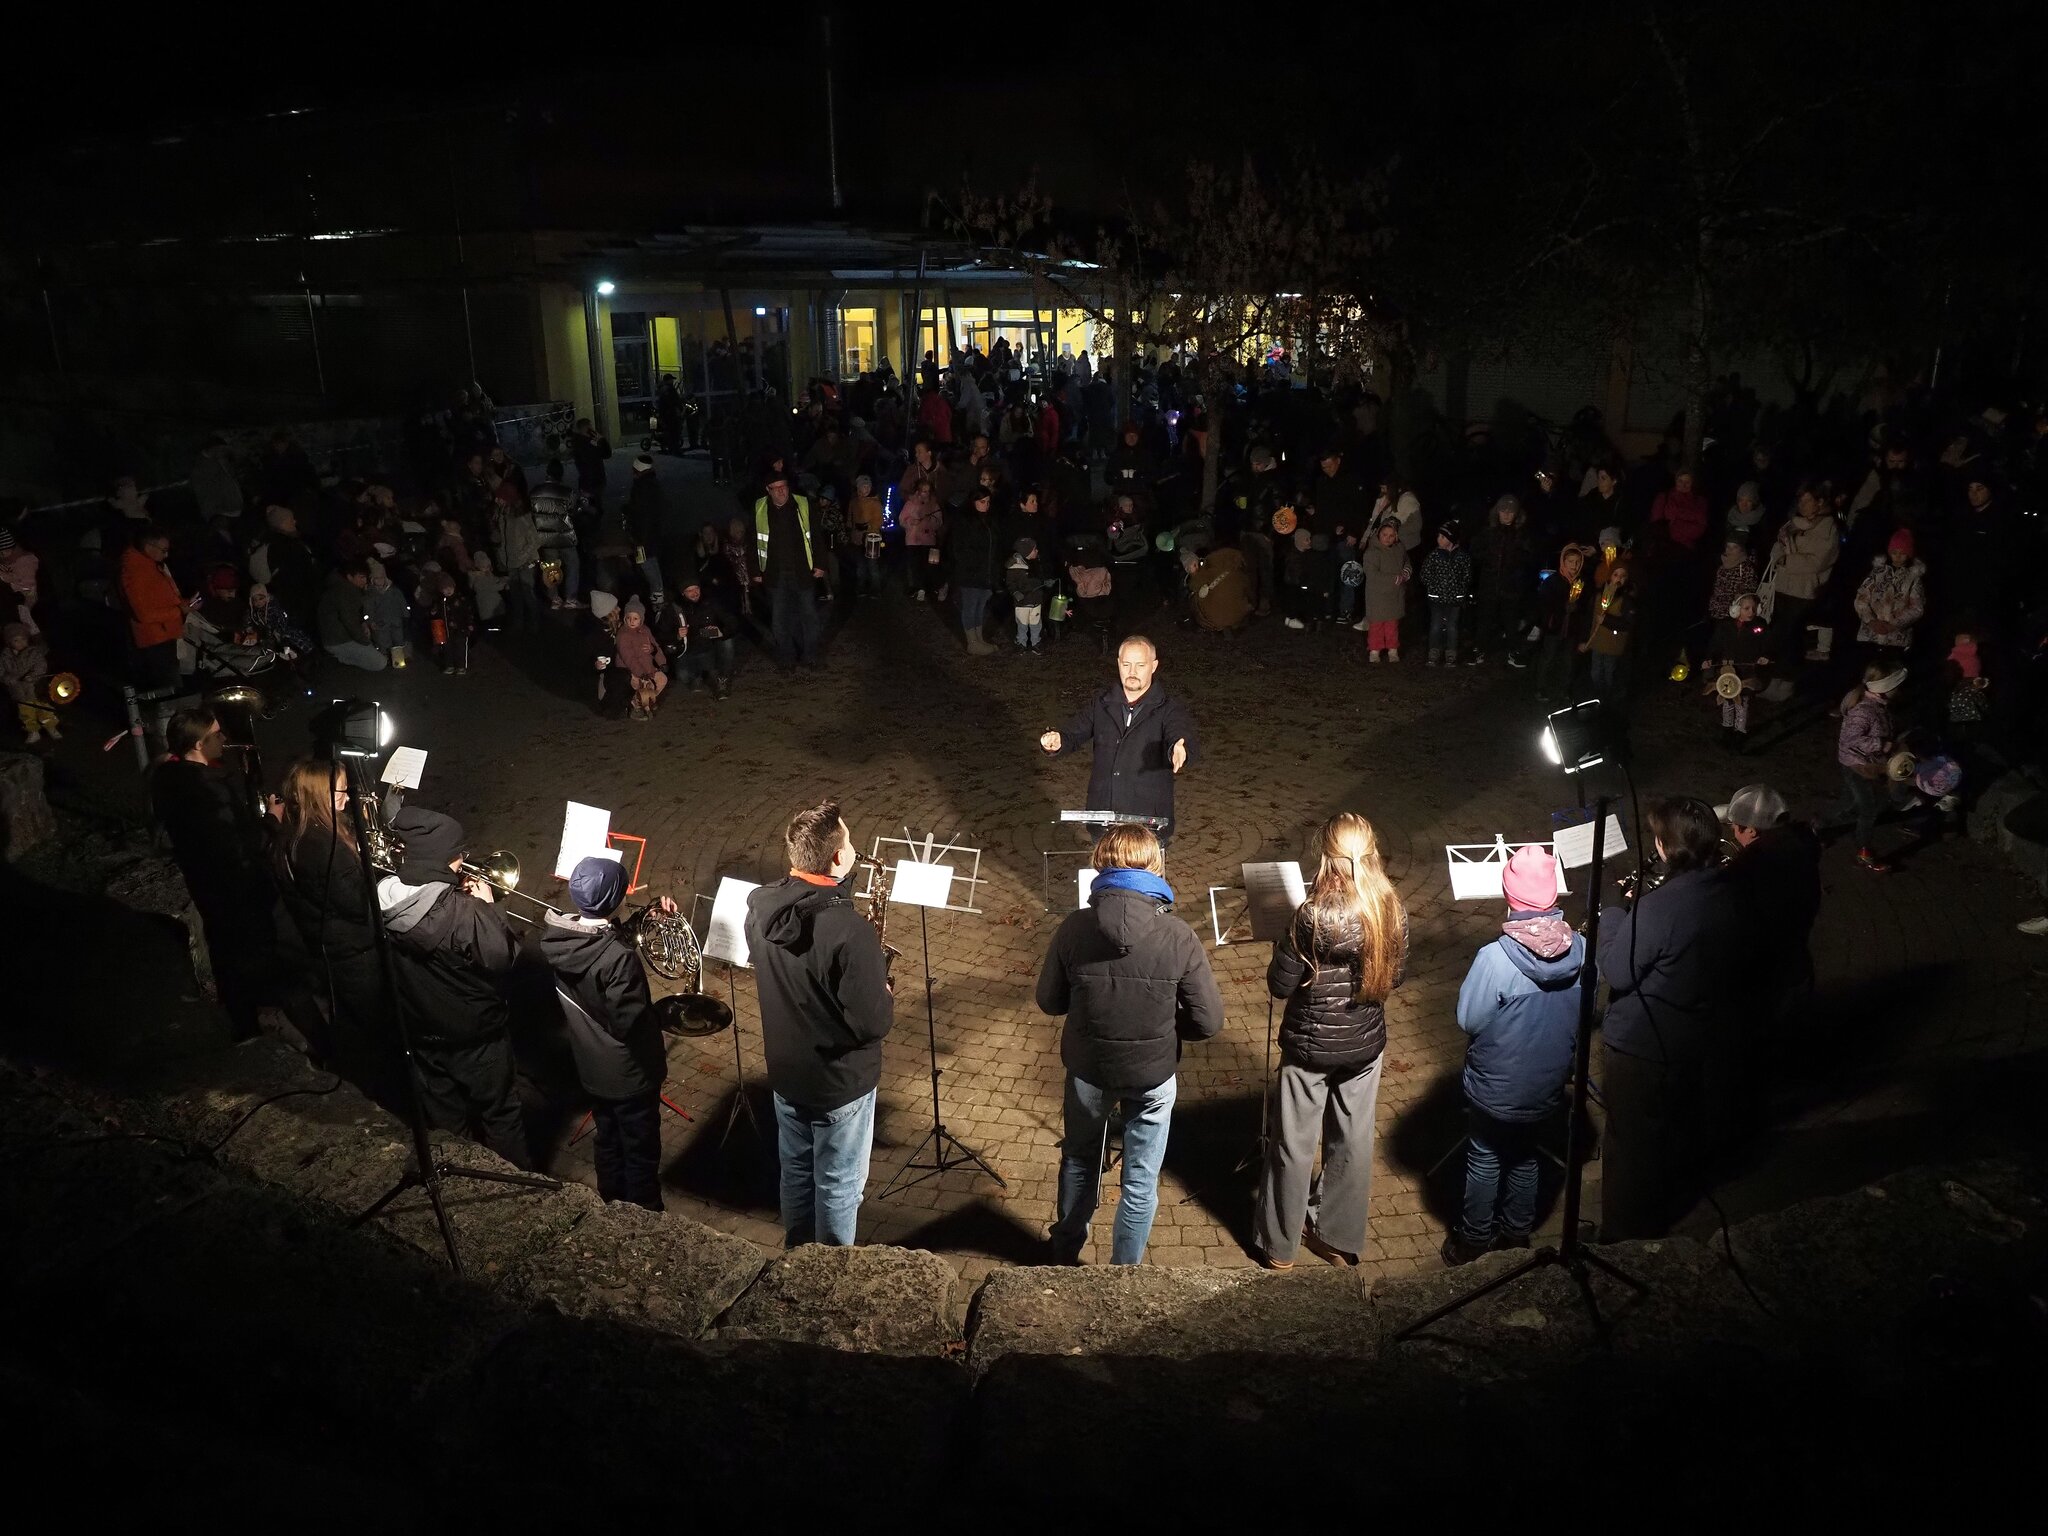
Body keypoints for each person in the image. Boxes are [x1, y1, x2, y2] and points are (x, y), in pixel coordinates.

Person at [1037, 823, 1224, 1264]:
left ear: (1100, 865)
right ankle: (1125, 1274)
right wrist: (1168, 1028)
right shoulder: (1179, 935)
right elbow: (1208, 1022)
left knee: (1079, 1160)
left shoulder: (1073, 928)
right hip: (1152, 1073)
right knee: (1140, 1180)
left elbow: (1049, 1001)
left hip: (1089, 1069)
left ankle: (1064, 1253)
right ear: (1155, 867)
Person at [1254, 813, 1407, 1269]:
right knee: (1353, 1142)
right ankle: (1336, 1237)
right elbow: (1396, 976)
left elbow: (1280, 985)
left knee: (1293, 1143)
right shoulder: (1390, 907)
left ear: (1327, 856)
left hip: (1310, 1047)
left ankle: (1280, 1247)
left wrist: (1283, 945)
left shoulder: (1311, 914)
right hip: (1364, 1045)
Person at [745, 801, 895, 1247]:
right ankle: (829, 1273)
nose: (853, 848)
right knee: (839, 1187)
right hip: (838, 1084)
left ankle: (796, 1259)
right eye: (849, 841)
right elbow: (872, 1024)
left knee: (795, 1174)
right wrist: (883, 992)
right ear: (838, 856)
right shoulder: (850, 931)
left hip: (787, 1074)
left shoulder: (761, 908)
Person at [1596, 796, 1747, 1240]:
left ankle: (1622, 1237)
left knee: (1628, 1144)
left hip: (1643, 1045)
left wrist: (1614, 913)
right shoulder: (1730, 889)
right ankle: (1661, 1204)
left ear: (1666, 847)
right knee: (1670, 1129)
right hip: (1693, 1032)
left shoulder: (1660, 908)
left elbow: (1618, 970)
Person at [1442, 845, 1583, 1265]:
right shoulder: (1582, 948)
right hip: (1548, 1082)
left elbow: (1469, 1018)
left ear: (1510, 896)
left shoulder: (1495, 958)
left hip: (1496, 1085)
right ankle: (1517, 1237)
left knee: (1485, 1156)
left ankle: (1473, 1242)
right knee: (1525, 1155)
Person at [374, 806, 532, 1169]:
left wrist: (447, 891)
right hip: (476, 1037)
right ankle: (520, 1186)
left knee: (448, 1123)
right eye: (458, 855)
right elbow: (502, 958)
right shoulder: (466, 913)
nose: (463, 860)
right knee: (501, 1116)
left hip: (423, 1035)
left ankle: (462, 1175)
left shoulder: (384, 896)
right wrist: (488, 907)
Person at [539, 856, 676, 1211]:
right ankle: (647, 1218)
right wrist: (665, 1014)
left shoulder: (562, 937)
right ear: (614, 900)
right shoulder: (618, 958)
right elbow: (627, 1021)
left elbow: (601, 940)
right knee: (640, 1153)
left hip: (592, 1068)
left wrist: (645, 916)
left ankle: (609, 1207)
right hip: (629, 1074)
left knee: (608, 1142)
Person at [150, 709, 280, 1041]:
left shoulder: (171, 779)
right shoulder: (209, 790)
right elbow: (242, 845)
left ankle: (244, 1021)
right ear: (198, 744)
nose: (224, 739)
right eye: (217, 734)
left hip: (206, 886)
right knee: (249, 954)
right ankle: (255, 1025)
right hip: (237, 888)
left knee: (225, 950)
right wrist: (272, 820)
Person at [1038, 636, 1197, 844]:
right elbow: (1072, 734)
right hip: (1104, 818)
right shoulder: (1101, 702)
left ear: (1153, 666)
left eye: (1140, 665)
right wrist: (1058, 741)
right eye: (1126, 664)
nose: (1132, 672)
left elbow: (1180, 734)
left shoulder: (1168, 707)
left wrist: (1179, 747)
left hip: (1148, 823)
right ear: (1118, 664)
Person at [1723, 784, 1822, 1024]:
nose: (1733, 832)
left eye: (1734, 827)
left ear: (1751, 831)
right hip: (1799, 960)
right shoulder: (1802, 843)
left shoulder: (1752, 864)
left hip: (1771, 971)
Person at [1821, 662, 1906, 873]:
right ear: (1885, 688)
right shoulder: (1864, 711)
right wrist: (1880, 744)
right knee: (1869, 809)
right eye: (1896, 686)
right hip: (1856, 765)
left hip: (1863, 763)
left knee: (1848, 803)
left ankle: (1818, 825)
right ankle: (1863, 852)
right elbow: (1851, 739)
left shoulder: (1878, 706)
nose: (1899, 690)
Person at [753, 468, 827, 670]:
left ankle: (810, 655)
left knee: (809, 616)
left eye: (783, 486)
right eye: (775, 488)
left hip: (802, 572)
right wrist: (756, 571)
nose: (780, 491)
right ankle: (787, 657)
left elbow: (816, 535)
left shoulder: (802, 505)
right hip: (775, 575)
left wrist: (820, 563)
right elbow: (753, 540)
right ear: (768, 490)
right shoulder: (760, 508)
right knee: (779, 620)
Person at [121, 525, 188, 690]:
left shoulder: (149, 565)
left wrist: (182, 604)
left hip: (165, 634)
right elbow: (143, 614)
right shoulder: (136, 572)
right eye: (163, 550)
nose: (167, 555)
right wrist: (179, 611)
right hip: (156, 639)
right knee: (171, 690)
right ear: (148, 547)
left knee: (171, 687)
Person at [1703, 593, 1772, 746]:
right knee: (1727, 698)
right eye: (1746, 608)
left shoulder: (1759, 625)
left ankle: (1740, 731)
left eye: (1754, 608)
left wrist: (1765, 655)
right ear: (1736, 609)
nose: (1751, 612)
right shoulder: (1725, 626)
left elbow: (1767, 643)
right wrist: (1709, 658)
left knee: (1743, 701)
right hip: (1726, 669)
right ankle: (1727, 729)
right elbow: (1715, 644)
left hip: (1747, 671)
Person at [1470, 495, 1532, 664]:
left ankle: (1514, 652)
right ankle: (1479, 650)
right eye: (1503, 510)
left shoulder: (1521, 535)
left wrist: (1515, 568)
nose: (1506, 514)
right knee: (1484, 620)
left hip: (1510, 587)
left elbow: (1528, 557)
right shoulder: (1488, 532)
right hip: (1489, 585)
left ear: (1516, 514)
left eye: (1510, 511)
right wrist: (1488, 560)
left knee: (1511, 622)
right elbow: (1475, 551)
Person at [1851, 529, 1927, 663]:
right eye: (1894, 552)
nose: (1898, 556)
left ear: (1908, 555)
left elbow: (1916, 608)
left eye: (1902, 553)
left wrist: (1893, 625)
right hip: (1871, 635)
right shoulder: (1877, 573)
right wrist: (1871, 621)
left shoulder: (1913, 578)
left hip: (1896, 638)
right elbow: (1861, 599)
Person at [1581, 559, 1637, 707]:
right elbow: (1589, 618)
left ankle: (1607, 699)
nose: (1618, 579)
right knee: (1595, 671)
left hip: (1612, 644)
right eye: (1615, 574)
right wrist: (1584, 639)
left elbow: (1627, 623)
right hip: (1597, 642)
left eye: (1623, 576)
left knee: (1609, 672)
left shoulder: (1626, 600)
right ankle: (1597, 696)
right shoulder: (1599, 595)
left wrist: (1607, 620)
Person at [672, 580, 738, 699]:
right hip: (689, 648)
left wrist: (721, 632)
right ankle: (698, 675)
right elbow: (664, 634)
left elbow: (732, 621)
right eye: (689, 590)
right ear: (683, 593)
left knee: (728, 643)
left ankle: (722, 679)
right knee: (684, 676)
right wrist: (677, 635)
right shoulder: (676, 608)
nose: (694, 593)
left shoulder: (711, 602)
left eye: (696, 588)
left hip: (710, 644)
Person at [317, 560, 387, 671]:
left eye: (366, 577)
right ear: (350, 577)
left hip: (341, 637)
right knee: (380, 663)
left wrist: (363, 624)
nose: (365, 581)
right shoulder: (344, 591)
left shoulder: (346, 588)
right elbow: (349, 620)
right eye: (361, 577)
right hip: (339, 641)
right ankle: (338, 659)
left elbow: (355, 614)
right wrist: (364, 641)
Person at [1420, 519, 1473, 666]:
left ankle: (1451, 653)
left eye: (1443, 537)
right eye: (1439, 536)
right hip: (1436, 599)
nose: (1439, 539)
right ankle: (1434, 651)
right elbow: (1424, 574)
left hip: (1455, 599)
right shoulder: (1434, 556)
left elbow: (1467, 576)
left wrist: (1460, 589)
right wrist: (1434, 585)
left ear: (1451, 539)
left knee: (1452, 626)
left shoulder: (1462, 557)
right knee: (1436, 625)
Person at [1355, 518, 1409, 660]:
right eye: (1385, 534)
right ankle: (1374, 650)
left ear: (1396, 536)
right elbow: (1371, 573)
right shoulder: (1372, 552)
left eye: (1391, 535)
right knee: (1376, 625)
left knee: (1392, 625)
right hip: (1377, 595)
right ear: (1379, 533)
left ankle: (1393, 649)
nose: (1387, 538)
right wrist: (1393, 578)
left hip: (1394, 595)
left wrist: (1406, 572)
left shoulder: (1399, 549)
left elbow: (1406, 562)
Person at [2, 622, 59, 744]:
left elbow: (41, 666)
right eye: (16, 640)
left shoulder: (34, 652)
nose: (21, 642)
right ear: (10, 642)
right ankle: (33, 732)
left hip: (35, 687)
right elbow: (1, 672)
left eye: (23, 639)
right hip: (18, 690)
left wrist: (33, 676)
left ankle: (51, 727)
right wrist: (8, 679)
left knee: (43, 709)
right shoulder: (5, 656)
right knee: (26, 712)